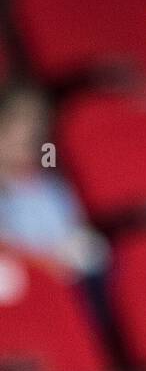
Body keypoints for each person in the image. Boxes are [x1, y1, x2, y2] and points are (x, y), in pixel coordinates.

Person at [0, 83, 106, 278]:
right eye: (13, 132)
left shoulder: (53, 187)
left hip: (62, 283)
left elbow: (76, 237)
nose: (27, 141)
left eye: (34, 134)